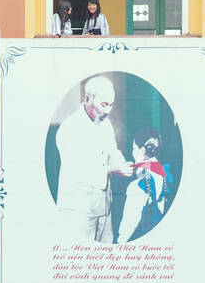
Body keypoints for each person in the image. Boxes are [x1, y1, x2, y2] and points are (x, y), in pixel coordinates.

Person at [55, 76, 134, 242]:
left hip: (104, 207)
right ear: (87, 99)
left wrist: (121, 163)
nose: (107, 111)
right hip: (78, 210)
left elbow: (112, 151)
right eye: (103, 105)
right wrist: (113, 170)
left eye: (111, 105)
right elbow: (77, 170)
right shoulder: (69, 128)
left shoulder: (105, 123)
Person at [117, 128, 172, 243]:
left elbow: (129, 225)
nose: (132, 152)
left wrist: (119, 243)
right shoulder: (163, 174)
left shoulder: (138, 185)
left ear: (142, 151)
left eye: (133, 148)